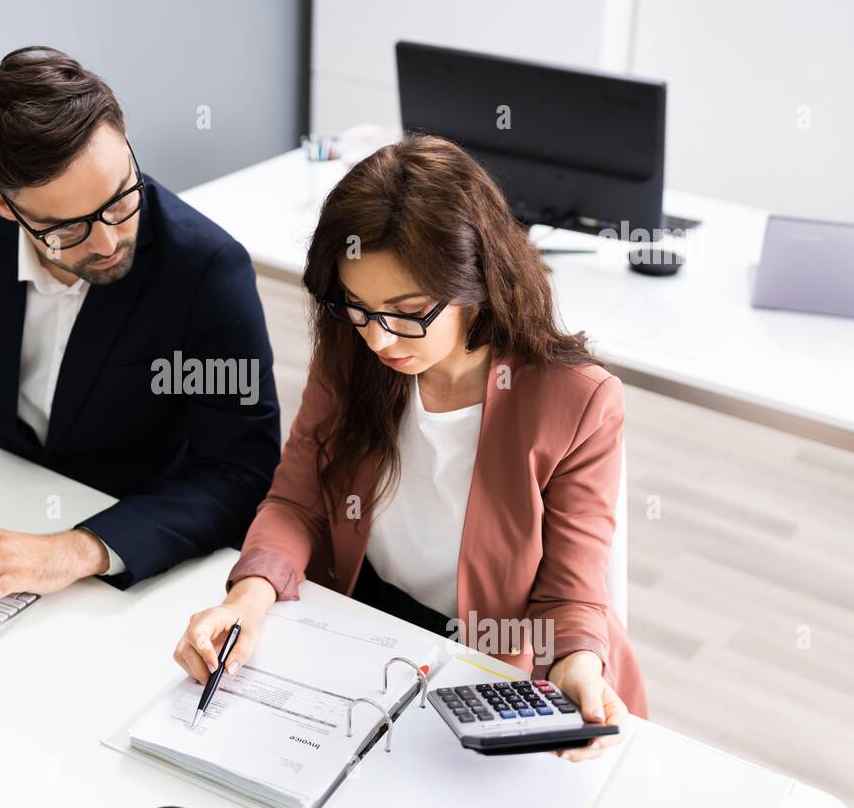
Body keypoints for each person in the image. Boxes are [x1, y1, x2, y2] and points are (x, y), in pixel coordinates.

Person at [173, 133, 648, 761]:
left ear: (477, 281)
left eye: (407, 311)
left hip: (492, 654)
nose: (378, 338)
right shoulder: (351, 356)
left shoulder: (577, 400)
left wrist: (577, 664)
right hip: (367, 625)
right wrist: (248, 596)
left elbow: (570, 591)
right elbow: (297, 501)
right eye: (359, 308)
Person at [0, 46, 280, 610]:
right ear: (1, 202)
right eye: (65, 228)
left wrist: (76, 550)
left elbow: (240, 472)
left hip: (139, 559)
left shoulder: (207, 268)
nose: (108, 242)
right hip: (0, 504)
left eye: (122, 198)